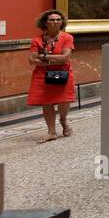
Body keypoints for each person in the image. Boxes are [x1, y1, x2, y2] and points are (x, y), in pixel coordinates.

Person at [27, 9, 76, 142]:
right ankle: (51, 132)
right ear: (45, 22)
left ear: (62, 22)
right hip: (42, 74)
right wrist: (53, 59)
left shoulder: (67, 37)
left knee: (64, 100)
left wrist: (43, 56)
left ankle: (63, 120)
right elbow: (31, 60)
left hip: (62, 72)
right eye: (52, 19)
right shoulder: (37, 40)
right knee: (46, 102)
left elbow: (65, 57)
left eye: (58, 19)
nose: (55, 22)